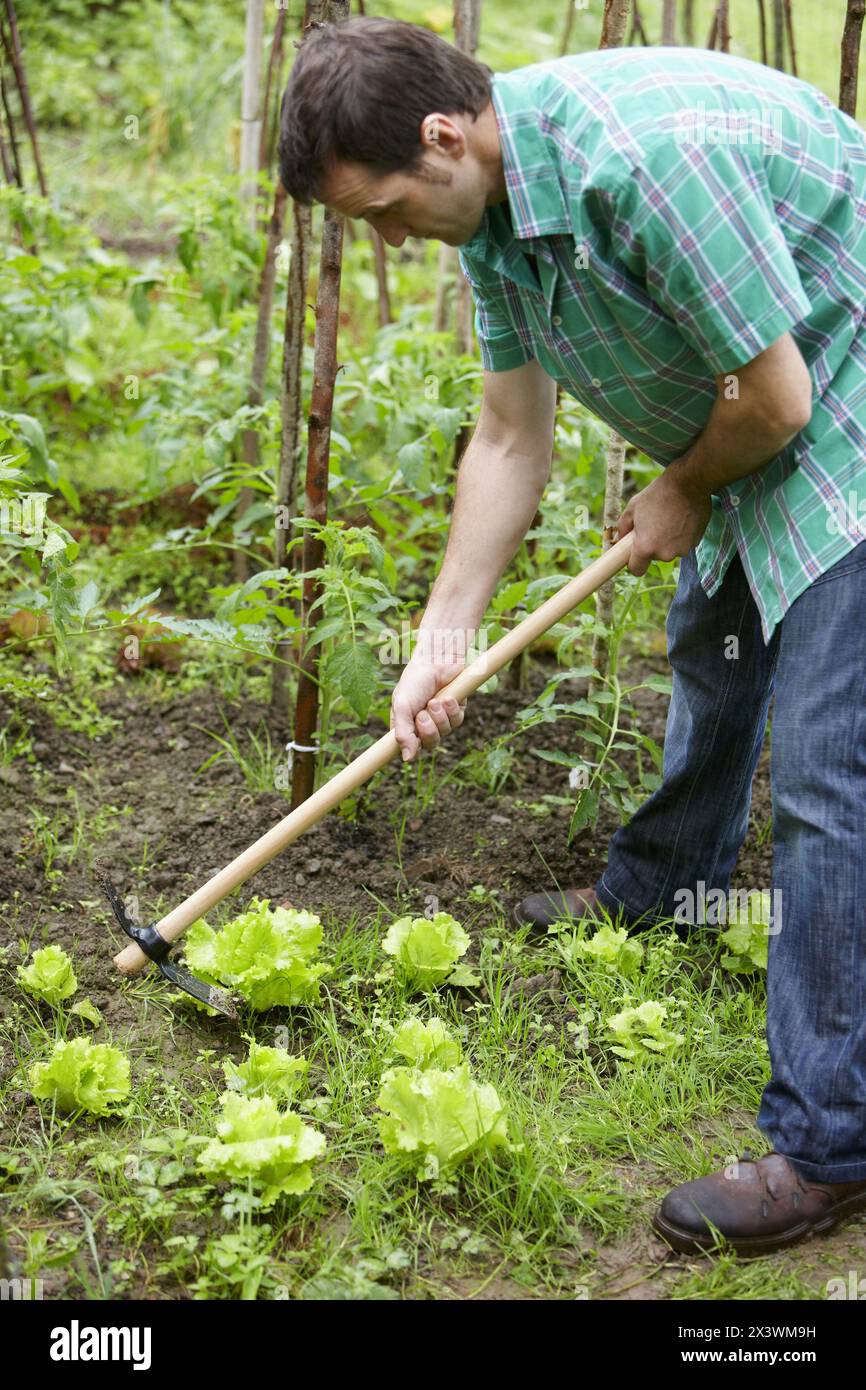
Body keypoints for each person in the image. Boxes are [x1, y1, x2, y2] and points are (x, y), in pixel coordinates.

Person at [278, 16, 866, 1256]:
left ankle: (827, 1144)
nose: (385, 241)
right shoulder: (492, 203)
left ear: (444, 138)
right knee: (711, 644)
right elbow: (506, 435)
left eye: (383, 209)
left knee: (826, 764)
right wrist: (442, 638)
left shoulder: (636, 162)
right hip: (764, 394)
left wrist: (687, 484)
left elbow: (772, 402)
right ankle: (662, 891)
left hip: (838, 388)